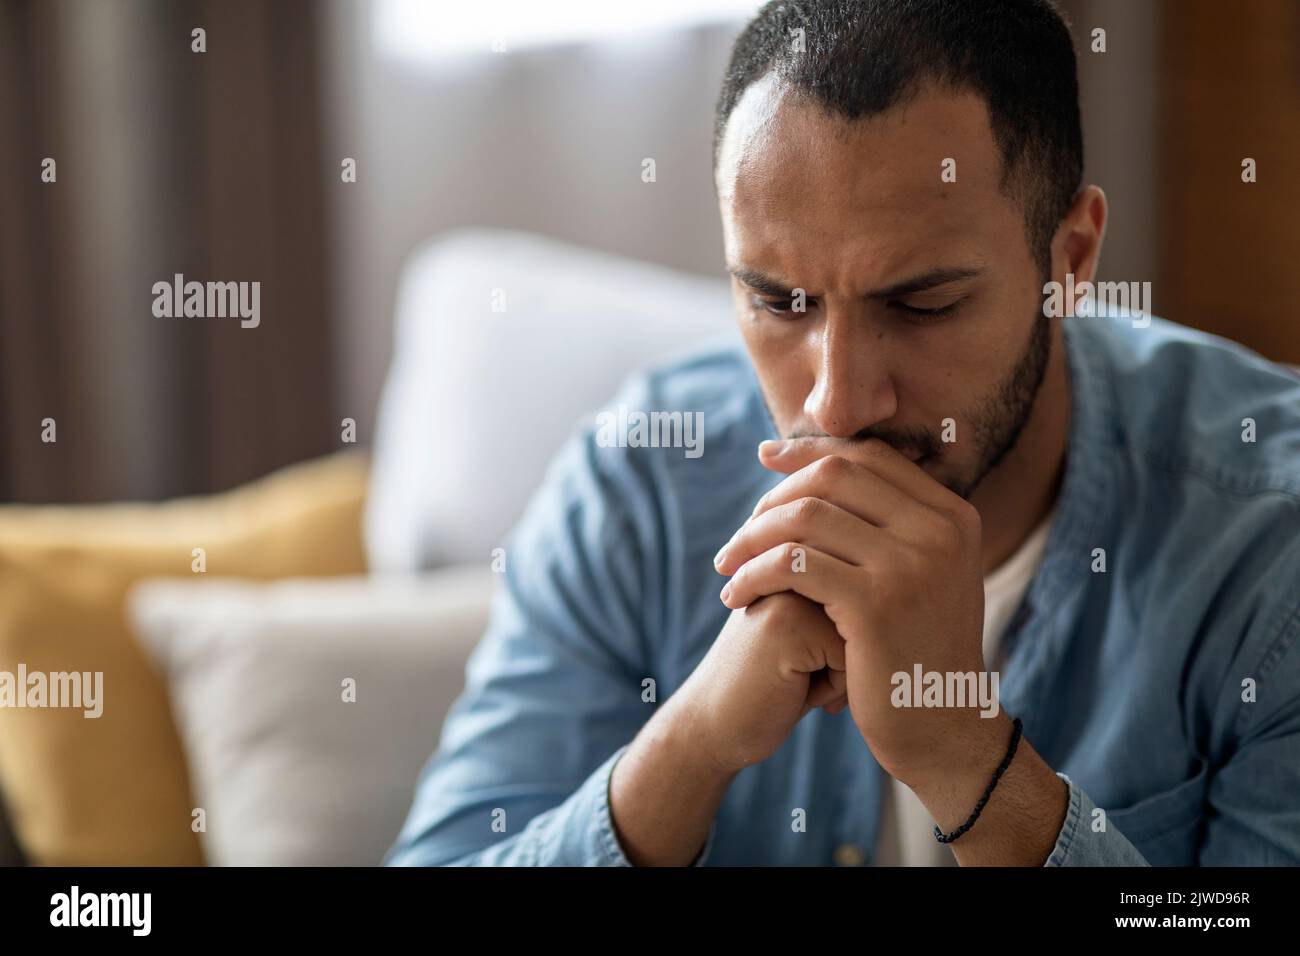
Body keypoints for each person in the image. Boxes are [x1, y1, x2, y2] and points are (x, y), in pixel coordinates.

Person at [387, 0, 1300, 866]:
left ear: (1070, 259)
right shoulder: (637, 489)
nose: (838, 404)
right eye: (780, 302)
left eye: (921, 303)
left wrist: (966, 759)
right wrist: (693, 745)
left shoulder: (1267, 547)